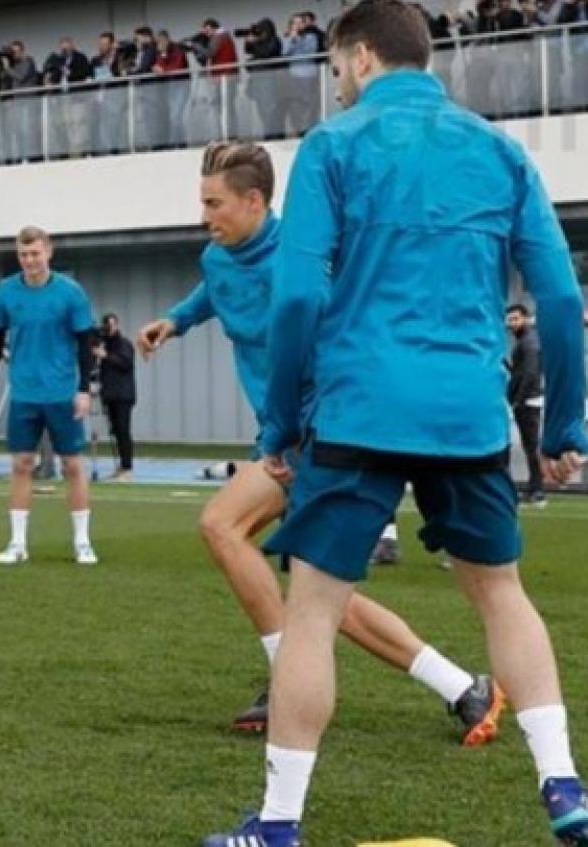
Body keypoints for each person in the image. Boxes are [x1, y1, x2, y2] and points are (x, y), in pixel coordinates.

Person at [204, 0, 588, 847]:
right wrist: (566, 429)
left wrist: (279, 425)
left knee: (312, 610)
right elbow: (561, 298)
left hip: (358, 406)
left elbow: (299, 294)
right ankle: (563, 782)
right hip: (467, 414)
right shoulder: (499, 150)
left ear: (364, 57)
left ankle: (277, 826)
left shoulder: (333, 147)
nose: (335, 80)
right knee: (501, 595)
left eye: (336, 64)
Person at [140, 142, 501, 745]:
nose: (205, 214)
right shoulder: (218, 256)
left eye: (214, 203)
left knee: (242, 539)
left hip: (324, 432)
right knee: (314, 587)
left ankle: (301, 674)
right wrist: (175, 321)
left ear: (255, 202)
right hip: (284, 436)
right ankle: (464, 688)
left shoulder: (304, 259)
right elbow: (215, 292)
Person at [0, 227, 99, 566]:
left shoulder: (71, 293)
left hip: (62, 392)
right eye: (23, 255)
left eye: (35, 254)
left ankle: (83, 542)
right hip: (24, 392)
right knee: (21, 464)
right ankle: (18, 544)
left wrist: (85, 389)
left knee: (72, 465)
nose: (30, 261)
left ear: (48, 253)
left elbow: (86, 343)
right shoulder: (5, 292)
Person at [507, 302, 546, 507]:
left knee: (531, 447)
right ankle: (534, 488)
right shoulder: (525, 341)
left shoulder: (529, 342)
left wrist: (518, 400)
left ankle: (538, 490)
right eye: (510, 320)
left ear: (525, 318)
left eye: (515, 319)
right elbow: (521, 371)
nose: (512, 323)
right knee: (530, 446)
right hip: (527, 398)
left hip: (528, 400)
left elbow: (530, 373)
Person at [95, 313, 136, 482]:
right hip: (109, 394)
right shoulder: (104, 345)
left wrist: (105, 356)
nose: (108, 329)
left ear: (117, 325)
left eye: (110, 325)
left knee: (123, 430)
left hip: (123, 395)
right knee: (115, 431)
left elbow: (126, 363)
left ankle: (127, 467)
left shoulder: (124, 344)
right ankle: (119, 467)